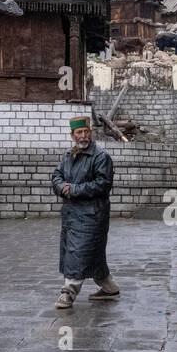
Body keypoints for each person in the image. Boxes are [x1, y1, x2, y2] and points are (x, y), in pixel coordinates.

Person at [51, 117, 119, 310]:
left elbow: (102, 185)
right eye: (79, 132)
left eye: (86, 131)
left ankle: (68, 292)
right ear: (72, 135)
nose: (83, 136)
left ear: (91, 132)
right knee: (93, 256)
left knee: (78, 253)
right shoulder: (68, 155)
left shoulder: (100, 157)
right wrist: (61, 186)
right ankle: (110, 288)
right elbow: (56, 175)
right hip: (72, 215)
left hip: (92, 215)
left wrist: (72, 190)